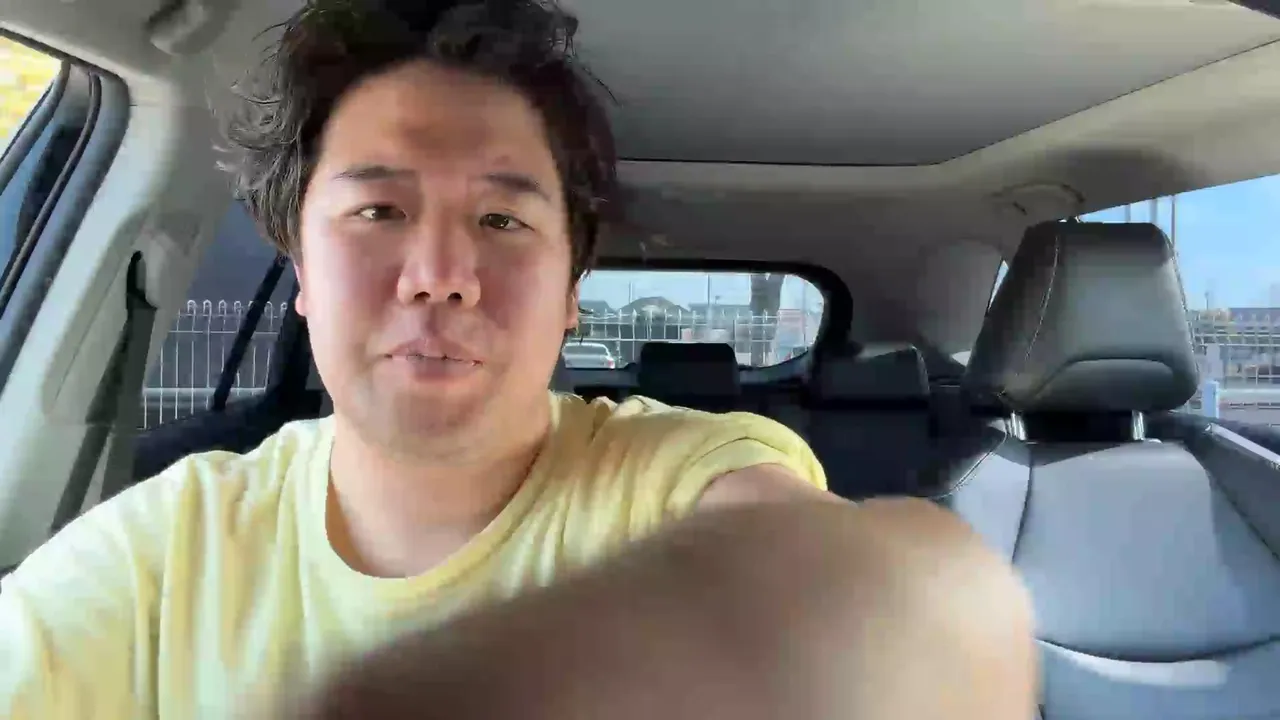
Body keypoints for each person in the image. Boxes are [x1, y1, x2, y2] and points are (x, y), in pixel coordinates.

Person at [0, 1, 1037, 718]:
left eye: (502, 219)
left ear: (572, 289)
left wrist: (904, 608)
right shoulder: (170, 546)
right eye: (378, 210)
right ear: (301, 269)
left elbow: (864, 590)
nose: (440, 275)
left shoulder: (678, 476)